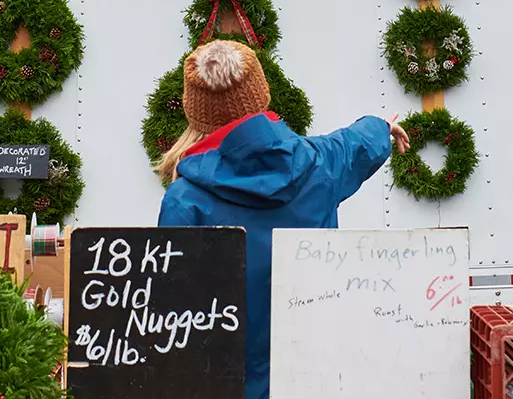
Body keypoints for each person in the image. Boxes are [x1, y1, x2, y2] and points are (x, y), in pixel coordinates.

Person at [157, 40, 410, 399]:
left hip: (227, 384)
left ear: (196, 112)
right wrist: (382, 126)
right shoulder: (320, 163)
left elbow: (173, 314)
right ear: (260, 95)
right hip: (311, 378)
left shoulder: (184, 200)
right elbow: (357, 142)